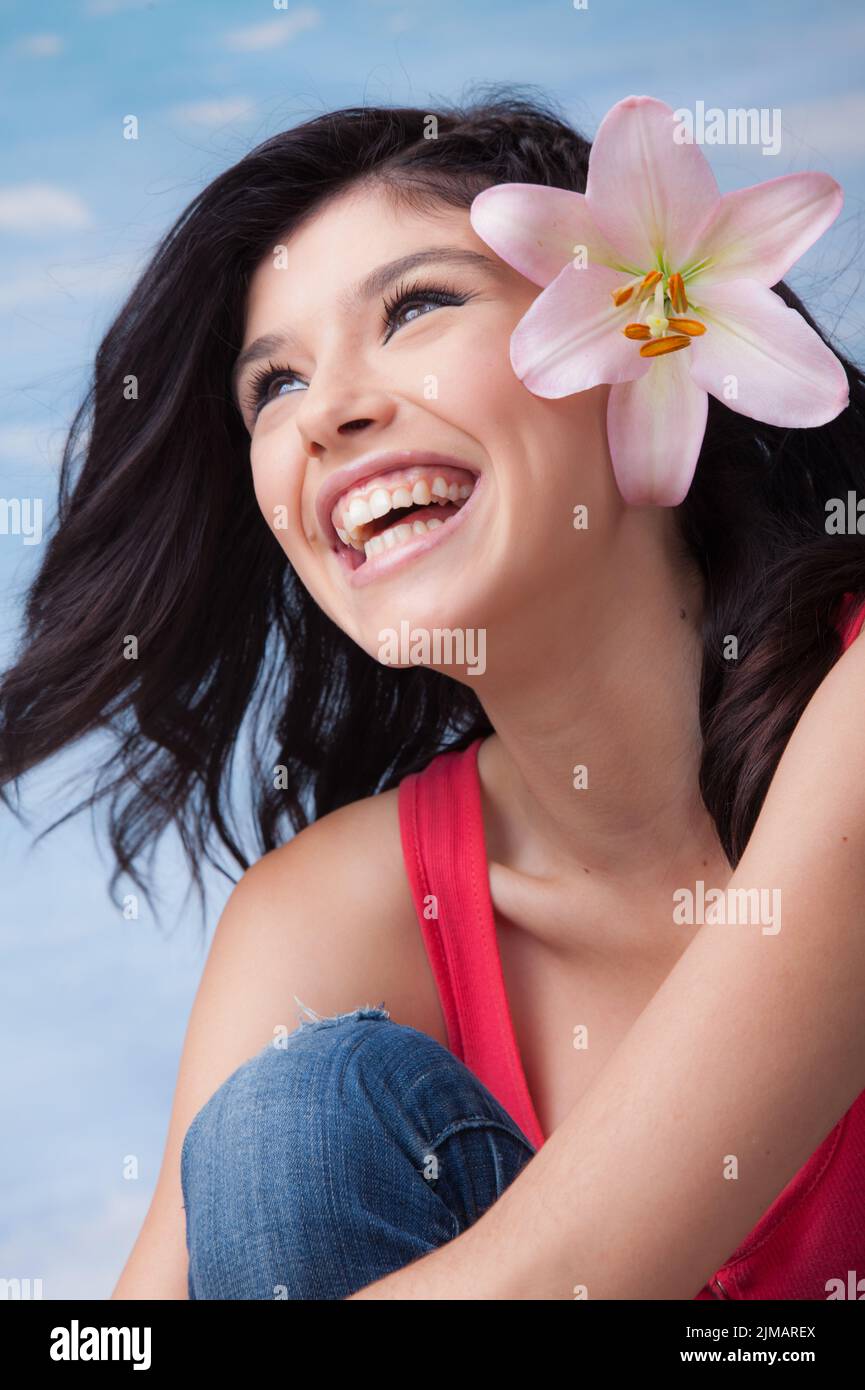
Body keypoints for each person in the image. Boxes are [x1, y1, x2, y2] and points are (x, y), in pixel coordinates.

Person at [2, 89, 864, 1301]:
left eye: (415, 307)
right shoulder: (336, 912)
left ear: (639, 338)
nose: (327, 418)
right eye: (274, 388)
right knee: (296, 1118)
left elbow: (559, 1276)